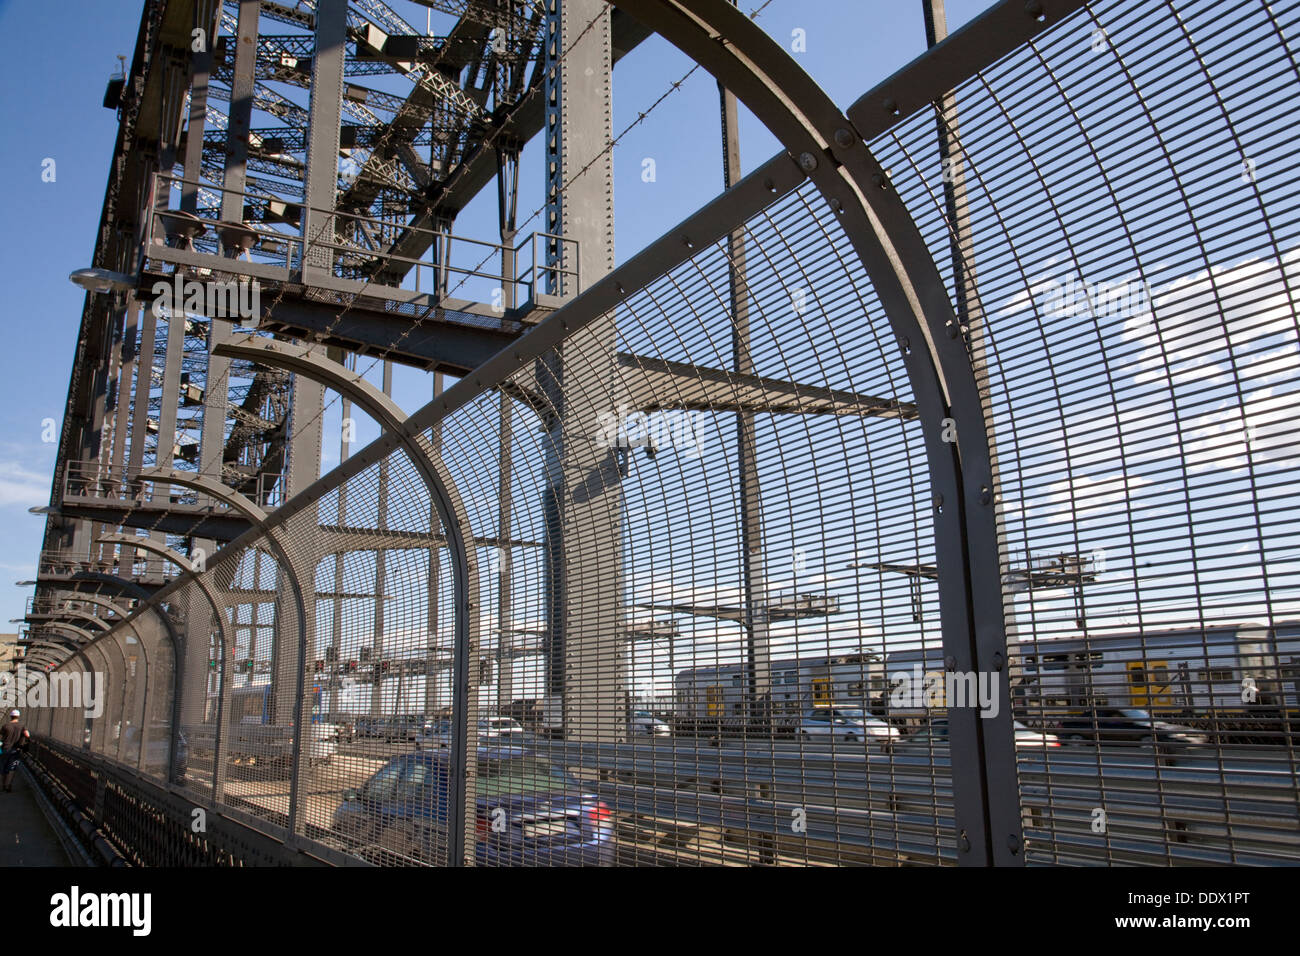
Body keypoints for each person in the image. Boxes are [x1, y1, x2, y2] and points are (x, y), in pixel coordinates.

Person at [0, 709, 30, 793]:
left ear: (11, 716)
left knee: (2, 768)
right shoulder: (22, 726)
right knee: (11, 768)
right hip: (15, 750)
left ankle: (2, 785)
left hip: (4, 749)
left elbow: (1, 736)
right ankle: (8, 786)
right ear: (18, 716)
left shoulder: (6, 726)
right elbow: (27, 734)